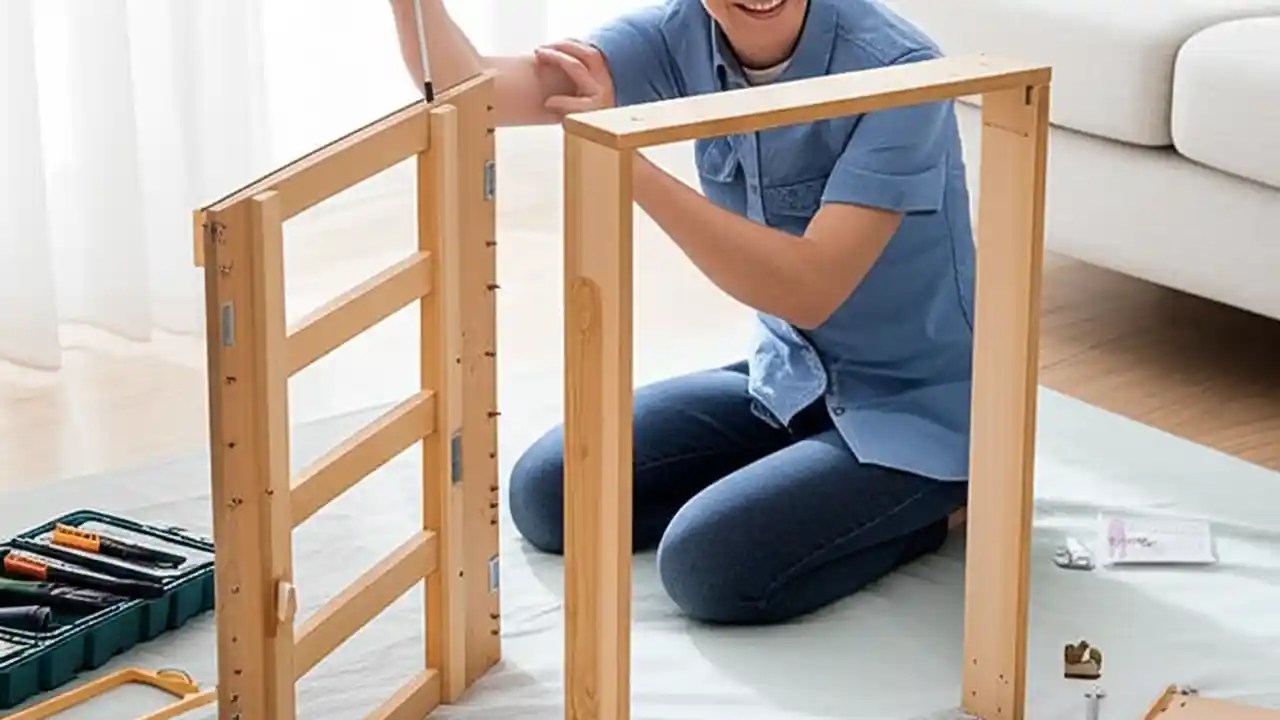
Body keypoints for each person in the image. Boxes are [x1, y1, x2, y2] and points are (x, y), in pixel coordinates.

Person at [390, 0, 975, 625]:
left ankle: (932, 511)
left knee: (707, 566)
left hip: (913, 409)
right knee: (550, 495)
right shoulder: (680, 37)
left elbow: (809, 288)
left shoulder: (901, 70)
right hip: (789, 379)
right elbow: (468, 89)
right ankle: (787, 486)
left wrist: (625, 163)